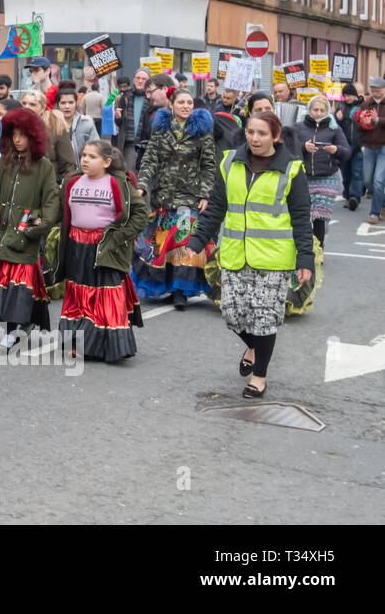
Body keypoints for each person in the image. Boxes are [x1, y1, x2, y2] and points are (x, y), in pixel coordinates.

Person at [186, 111, 314, 397]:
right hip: (235, 254)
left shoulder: (292, 168)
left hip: (274, 257)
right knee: (232, 313)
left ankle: (259, 376)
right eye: (251, 132)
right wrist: (197, 241)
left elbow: (301, 217)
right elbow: (217, 205)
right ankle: (255, 347)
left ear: (276, 137)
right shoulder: (230, 162)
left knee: (264, 318)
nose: (255, 138)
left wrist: (304, 258)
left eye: (262, 134)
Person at [55, 140, 149, 361]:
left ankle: (110, 347)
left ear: (107, 162)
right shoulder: (72, 182)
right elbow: (60, 212)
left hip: (106, 247)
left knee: (105, 295)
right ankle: (85, 344)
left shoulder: (119, 184)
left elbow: (140, 215)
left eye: (92, 156)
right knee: (81, 294)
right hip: (77, 246)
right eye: (84, 155)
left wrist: (117, 237)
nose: (85, 160)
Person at [0, 109, 59, 346]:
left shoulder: (44, 167)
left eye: (23, 135)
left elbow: (51, 205)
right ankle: (10, 327)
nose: (17, 139)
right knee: (2, 285)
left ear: (34, 137)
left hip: (25, 238)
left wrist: (32, 227)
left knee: (18, 288)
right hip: (1, 236)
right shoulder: (2, 163)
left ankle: (12, 331)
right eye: (14, 134)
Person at [132, 87, 215, 310]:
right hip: (164, 195)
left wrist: (205, 193)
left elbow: (209, 166)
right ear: (172, 104)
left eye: (190, 102)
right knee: (163, 242)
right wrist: (141, 187)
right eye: (181, 102)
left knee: (182, 240)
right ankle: (167, 283)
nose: (186, 106)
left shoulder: (202, 132)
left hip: (189, 197)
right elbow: (149, 161)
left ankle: (181, 290)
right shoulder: (160, 130)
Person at [293, 94, 350, 250]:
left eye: (321, 110)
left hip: (327, 178)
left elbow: (346, 152)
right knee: (304, 216)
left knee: (319, 216)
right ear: (309, 109)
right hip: (303, 178)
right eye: (315, 109)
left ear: (327, 112)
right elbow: (289, 149)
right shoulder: (298, 127)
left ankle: (318, 249)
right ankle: (304, 248)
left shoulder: (334, 128)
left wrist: (335, 149)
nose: (318, 113)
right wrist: (304, 148)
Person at [19, 89, 76, 186]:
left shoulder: (54, 128)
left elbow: (68, 164)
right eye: (24, 103)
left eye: (32, 104)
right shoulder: (16, 128)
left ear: (42, 108)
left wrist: (60, 188)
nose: (26, 107)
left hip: (48, 186)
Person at [359, 77, 385, 225]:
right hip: (369, 146)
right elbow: (358, 126)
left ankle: (374, 213)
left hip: (384, 147)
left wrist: (378, 121)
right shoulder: (365, 105)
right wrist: (364, 124)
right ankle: (382, 202)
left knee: (378, 181)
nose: (375, 93)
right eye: (373, 91)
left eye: (378, 91)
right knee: (368, 181)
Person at [115, 69, 151, 171]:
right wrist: (117, 117)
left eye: (144, 79)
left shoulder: (151, 98)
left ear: (148, 81)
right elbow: (119, 123)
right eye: (138, 78)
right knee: (129, 174)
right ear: (134, 80)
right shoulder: (125, 97)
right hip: (128, 143)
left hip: (146, 143)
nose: (140, 81)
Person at [336, 83, 365, 211]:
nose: (346, 98)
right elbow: (335, 127)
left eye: (348, 95)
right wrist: (338, 118)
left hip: (358, 147)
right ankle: (348, 196)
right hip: (344, 148)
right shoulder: (340, 108)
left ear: (354, 95)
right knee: (346, 174)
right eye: (344, 96)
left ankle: (354, 197)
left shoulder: (361, 108)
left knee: (357, 173)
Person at [57, 89, 99, 163]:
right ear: (58, 104)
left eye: (71, 102)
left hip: (82, 170)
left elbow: (96, 148)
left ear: (76, 104)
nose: (67, 106)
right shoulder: (51, 125)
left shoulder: (86, 123)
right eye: (63, 103)